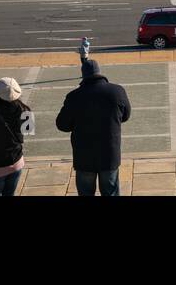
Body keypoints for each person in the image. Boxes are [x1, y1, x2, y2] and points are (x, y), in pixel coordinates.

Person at [56, 59, 131, 196]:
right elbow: (126, 116)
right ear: (99, 72)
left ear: (83, 75)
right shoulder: (117, 91)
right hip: (109, 154)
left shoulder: (74, 97)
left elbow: (62, 125)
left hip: (84, 156)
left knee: (85, 192)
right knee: (111, 192)